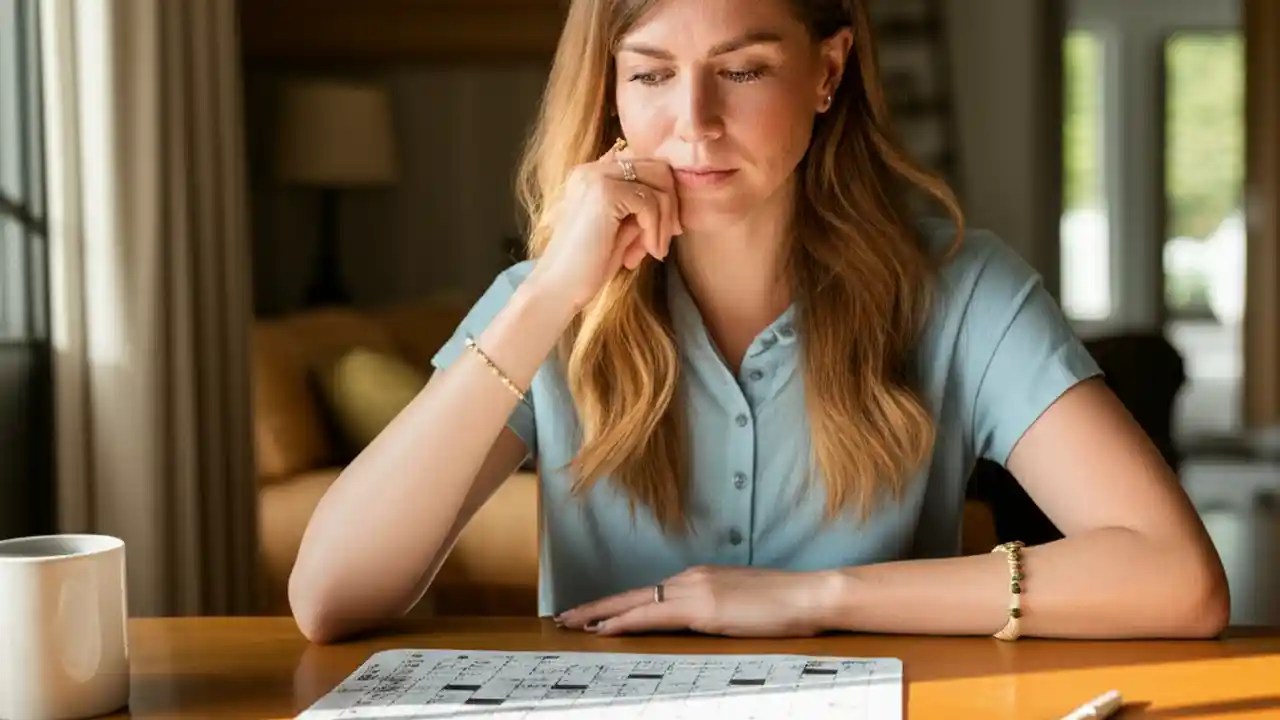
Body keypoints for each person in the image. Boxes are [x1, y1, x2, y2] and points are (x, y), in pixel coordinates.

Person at [289, 0, 1229, 644]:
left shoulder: (964, 291)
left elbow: (1177, 579)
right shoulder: (543, 306)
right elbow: (327, 596)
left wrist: (815, 597)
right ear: (611, 89)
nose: (694, 121)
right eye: (651, 74)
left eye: (741, 69)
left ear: (828, 71)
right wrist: (545, 298)